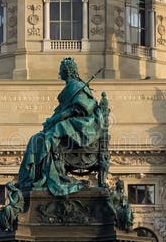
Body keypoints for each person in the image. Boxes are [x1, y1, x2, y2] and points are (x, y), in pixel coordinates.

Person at [17, 58, 105, 196]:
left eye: (61, 70)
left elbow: (83, 107)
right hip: (70, 125)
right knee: (37, 139)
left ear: (67, 71)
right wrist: (53, 119)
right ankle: (34, 178)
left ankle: (43, 177)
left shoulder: (75, 86)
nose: (59, 72)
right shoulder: (72, 86)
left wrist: (56, 119)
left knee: (45, 138)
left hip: (81, 126)